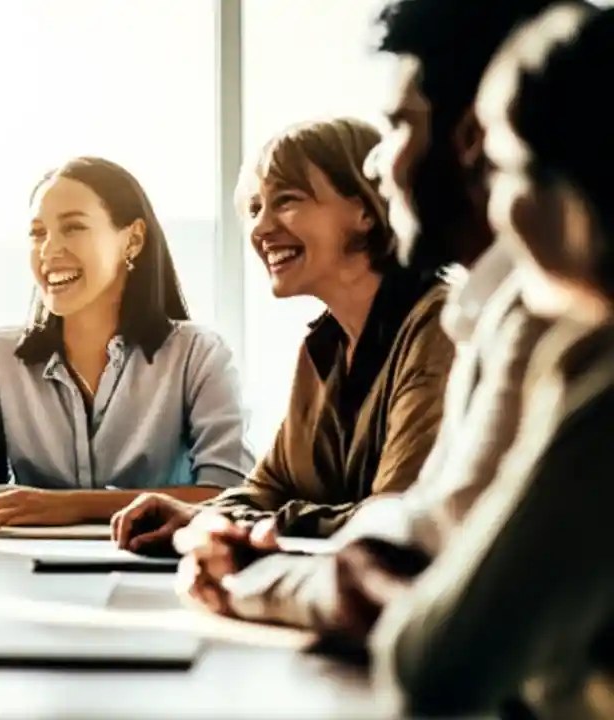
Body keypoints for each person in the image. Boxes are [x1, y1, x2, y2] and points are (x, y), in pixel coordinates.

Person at [162, 0, 575, 634]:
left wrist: (256, 556)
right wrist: (226, 524)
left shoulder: (477, 329)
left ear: (476, 137)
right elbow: (297, 498)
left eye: (399, 130)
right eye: (254, 208)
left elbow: (407, 547)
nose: (382, 168)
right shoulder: (356, 341)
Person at [372, 7, 614, 716]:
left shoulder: (599, 383)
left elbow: (434, 663)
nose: (497, 206)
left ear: (575, 185)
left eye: (504, 169)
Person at [113, 117, 456, 555]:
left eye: (287, 201)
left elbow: (395, 518)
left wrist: (250, 524)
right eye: (256, 209)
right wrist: (202, 515)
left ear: (367, 208)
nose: (260, 228)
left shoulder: (440, 326)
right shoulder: (324, 345)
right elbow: (268, 486)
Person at [0, 157, 254, 535]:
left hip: (154, 571)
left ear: (132, 239)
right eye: (38, 233)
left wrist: (67, 506)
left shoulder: (198, 355)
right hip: (27, 575)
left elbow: (231, 497)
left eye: (73, 228)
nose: (49, 250)